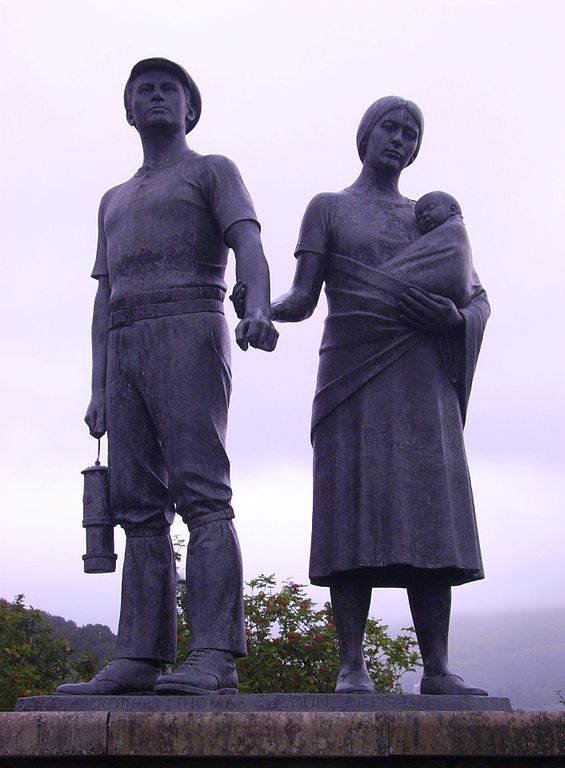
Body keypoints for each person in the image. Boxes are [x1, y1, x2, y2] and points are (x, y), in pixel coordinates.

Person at [57, 58, 278, 697]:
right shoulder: (114, 199)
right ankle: (140, 654)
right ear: (129, 112)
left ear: (190, 109)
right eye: (143, 91)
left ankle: (215, 653)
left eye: (168, 89)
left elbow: (250, 246)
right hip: (126, 340)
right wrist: (99, 384)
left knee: (203, 492)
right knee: (136, 506)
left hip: (191, 325)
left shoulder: (213, 170)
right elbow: (104, 297)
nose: (156, 97)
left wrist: (257, 304)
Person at [267, 96, 490, 695]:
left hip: (420, 376)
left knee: (428, 512)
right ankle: (351, 664)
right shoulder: (329, 208)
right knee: (352, 513)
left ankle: (438, 668)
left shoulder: (432, 217)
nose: (400, 139)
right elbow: (301, 298)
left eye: (411, 133)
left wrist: (452, 318)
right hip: (352, 371)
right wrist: (260, 310)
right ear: (365, 135)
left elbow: (475, 296)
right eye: (389, 127)